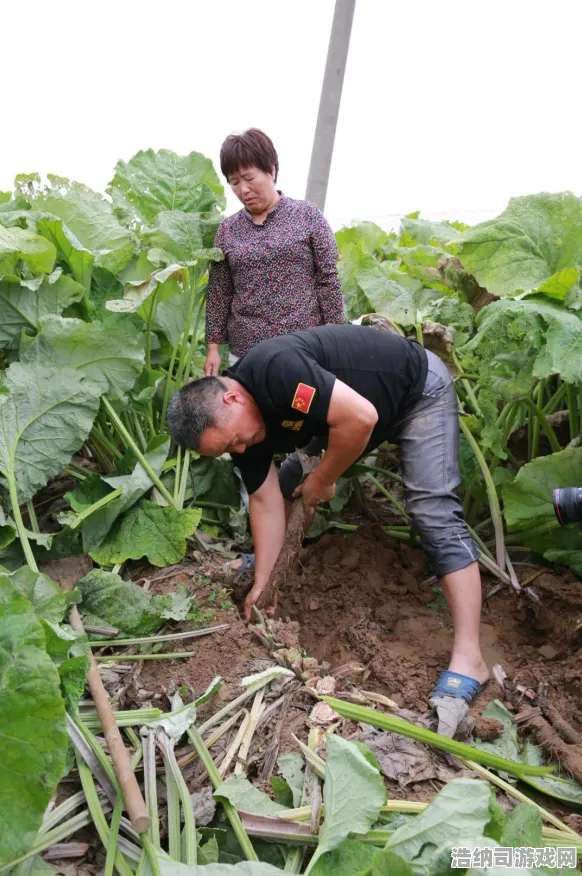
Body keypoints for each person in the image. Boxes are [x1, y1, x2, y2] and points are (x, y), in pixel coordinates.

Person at [168, 324, 489, 708]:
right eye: (226, 449)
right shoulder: (240, 432)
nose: (237, 448)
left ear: (233, 399)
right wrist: (265, 584)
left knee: (431, 509)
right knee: (288, 481)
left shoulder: (277, 371)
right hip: (354, 413)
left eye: (234, 440)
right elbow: (266, 500)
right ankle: (274, 567)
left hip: (416, 391)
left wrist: (323, 478)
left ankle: (471, 659)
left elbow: (360, 418)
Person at [204, 128, 344, 375]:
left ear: (272, 170)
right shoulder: (228, 230)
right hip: (245, 351)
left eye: (249, 178)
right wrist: (213, 347)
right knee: (252, 412)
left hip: (303, 345)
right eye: (234, 183)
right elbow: (219, 291)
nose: (243, 190)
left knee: (303, 412)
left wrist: (333, 336)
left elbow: (328, 279)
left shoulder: (308, 216)